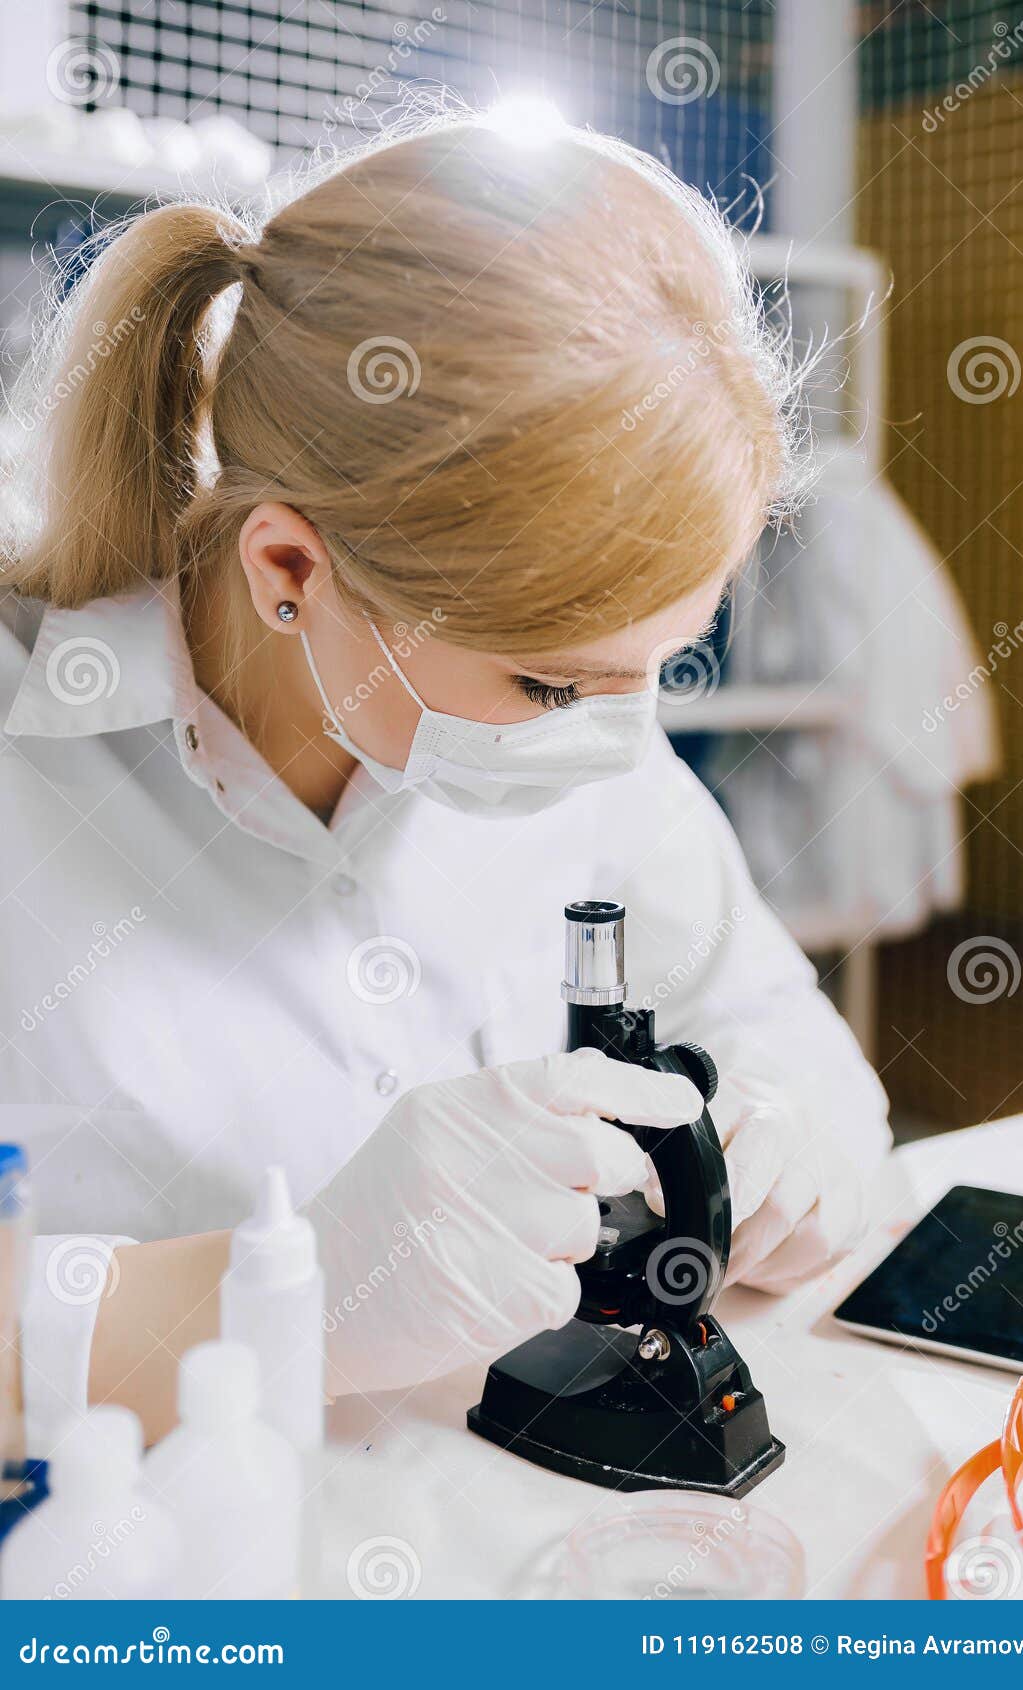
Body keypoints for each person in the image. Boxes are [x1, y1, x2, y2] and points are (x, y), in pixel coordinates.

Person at [0, 110, 889, 1449]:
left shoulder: (576, 727)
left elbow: (772, 1017)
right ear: (290, 569)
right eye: (548, 684)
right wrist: (267, 1297)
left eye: (657, 665)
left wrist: (789, 1142)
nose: (610, 734)